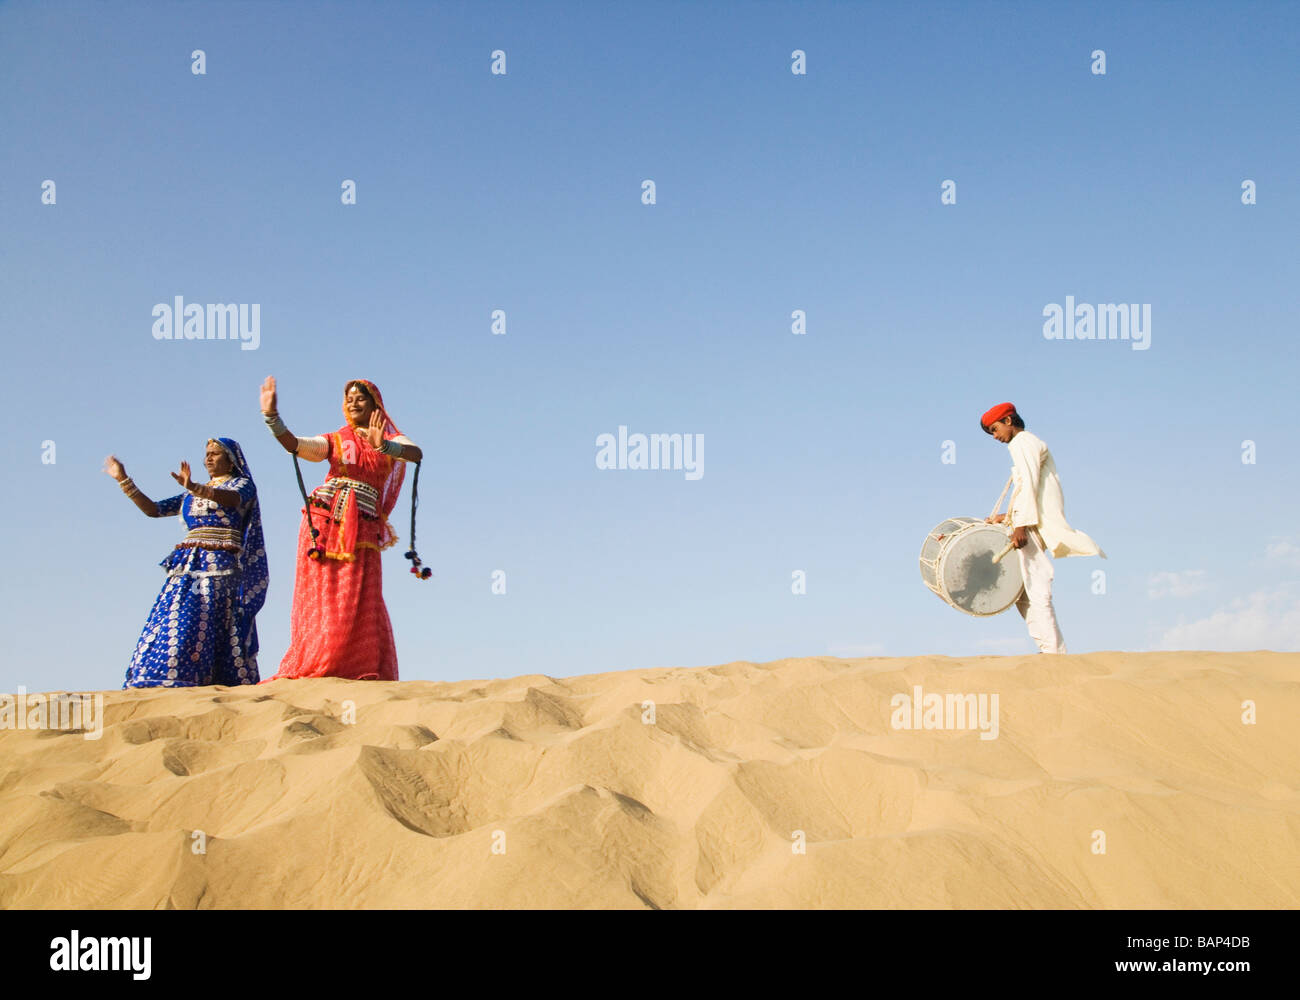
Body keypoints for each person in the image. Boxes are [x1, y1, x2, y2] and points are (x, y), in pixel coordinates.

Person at [260, 377, 423, 680]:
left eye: (360, 397)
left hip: (365, 526)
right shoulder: (338, 440)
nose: (353, 402)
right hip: (326, 523)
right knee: (327, 595)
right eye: (348, 398)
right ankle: (325, 663)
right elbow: (298, 446)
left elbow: (416, 454)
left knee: (364, 597)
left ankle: (359, 666)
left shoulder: (390, 439)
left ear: (376, 404)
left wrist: (383, 445)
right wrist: (272, 419)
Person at [107, 438, 268, 688]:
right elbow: (153, 509)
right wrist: (123, 480)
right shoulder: (189, 494)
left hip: (221, 565)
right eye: (207, 455)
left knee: (210, 616)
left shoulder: (242, 484)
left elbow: (232, 500)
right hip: (187, 564)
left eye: (216, 454)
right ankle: (169, 675)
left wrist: (196, 487)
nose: (209, 459)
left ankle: (216, 679)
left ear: (232, 460)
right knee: (178, 615)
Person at [981, 403, 1104, 654]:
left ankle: (1054, 653)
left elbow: (1029, 485)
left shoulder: (1022, 443)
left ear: (1008, 420)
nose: (995, 437)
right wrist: (1007, 517)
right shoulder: (1024, 444)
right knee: (1022, 593)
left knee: (1037, 587)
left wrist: (1021, 526)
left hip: (1032, 525)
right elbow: (1031, 489)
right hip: (1028, 521)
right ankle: (1047, 647)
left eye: (994, 429)